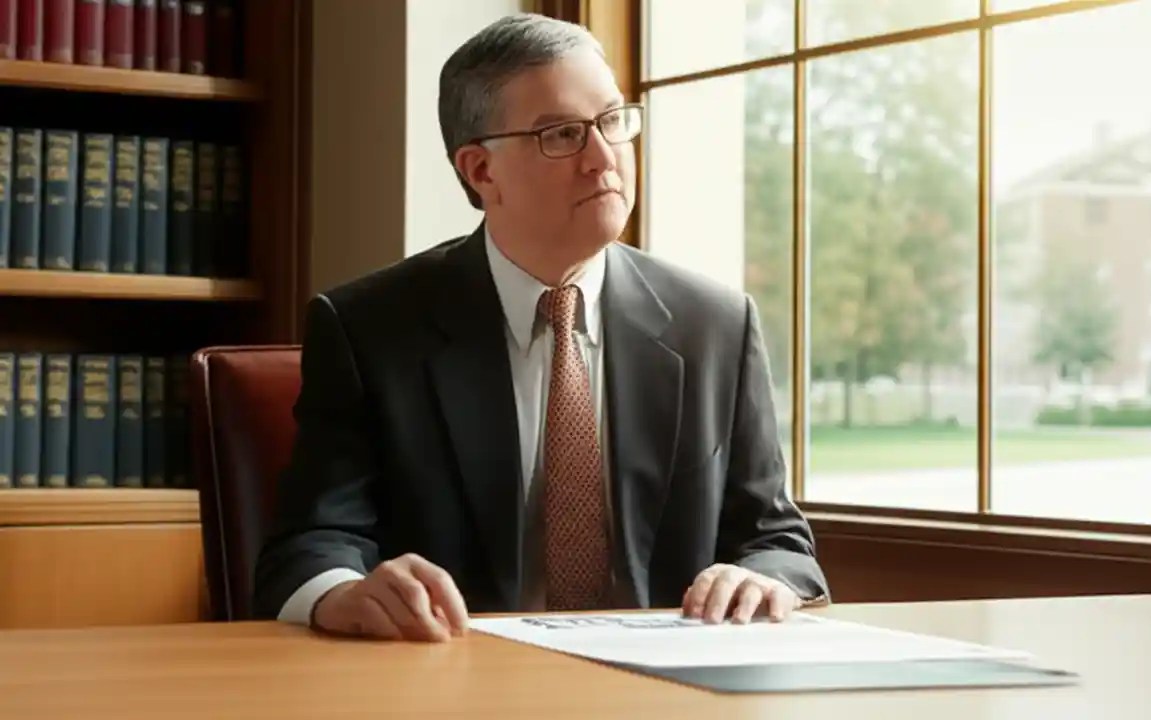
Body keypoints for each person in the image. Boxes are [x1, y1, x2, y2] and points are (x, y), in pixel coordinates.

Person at [253, 12, 828, 643]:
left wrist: (763, 578)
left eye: (613, 121)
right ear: (481, 170)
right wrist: (345, 593)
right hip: (458, 670)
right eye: (563, 134)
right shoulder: (369, 329)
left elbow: (776, 539)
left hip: (666, 676)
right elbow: (310, 543)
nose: (604, 158)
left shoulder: (715, 325)